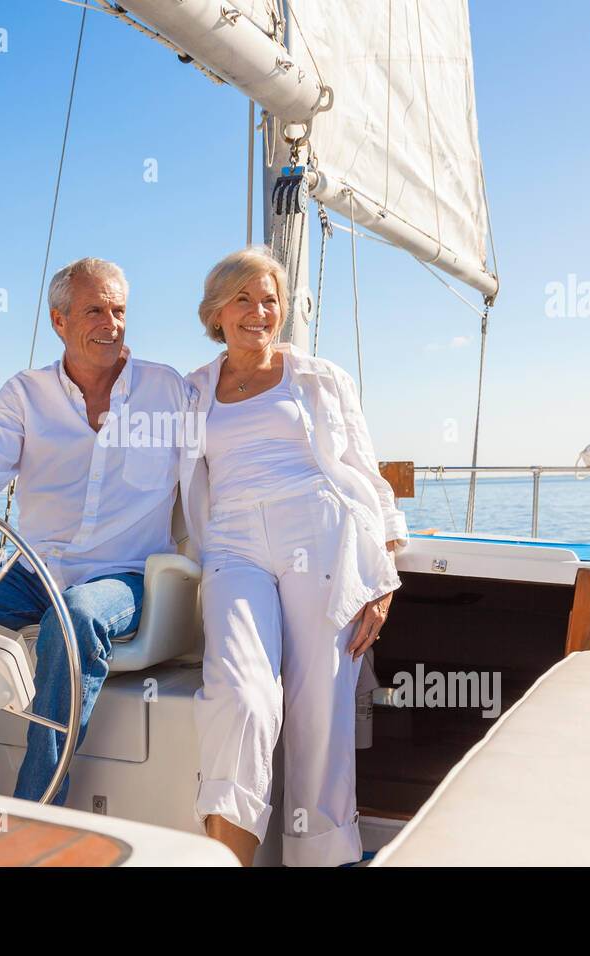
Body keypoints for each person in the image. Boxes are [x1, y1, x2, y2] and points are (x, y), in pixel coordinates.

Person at [0, 257, 184, 805]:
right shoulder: (25, 394)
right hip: (33, 574)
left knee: (74, 618)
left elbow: (224, 451)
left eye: (119, 310)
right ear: (59, 320)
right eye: (95, 311)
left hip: (125, 578)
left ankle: (35, 808)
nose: (112, 324)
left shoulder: (166, 391)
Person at [179, 246, 408, 866]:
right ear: (217, 312)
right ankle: (226, 860)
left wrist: (383, 577)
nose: (259, 312)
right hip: (233, 542)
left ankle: (326, 858)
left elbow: (365, 473)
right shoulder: (191, 390)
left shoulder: (321, 377)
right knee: (242, 695)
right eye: (243, 299)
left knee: (321, 707)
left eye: (270, 300)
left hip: (320, 532)